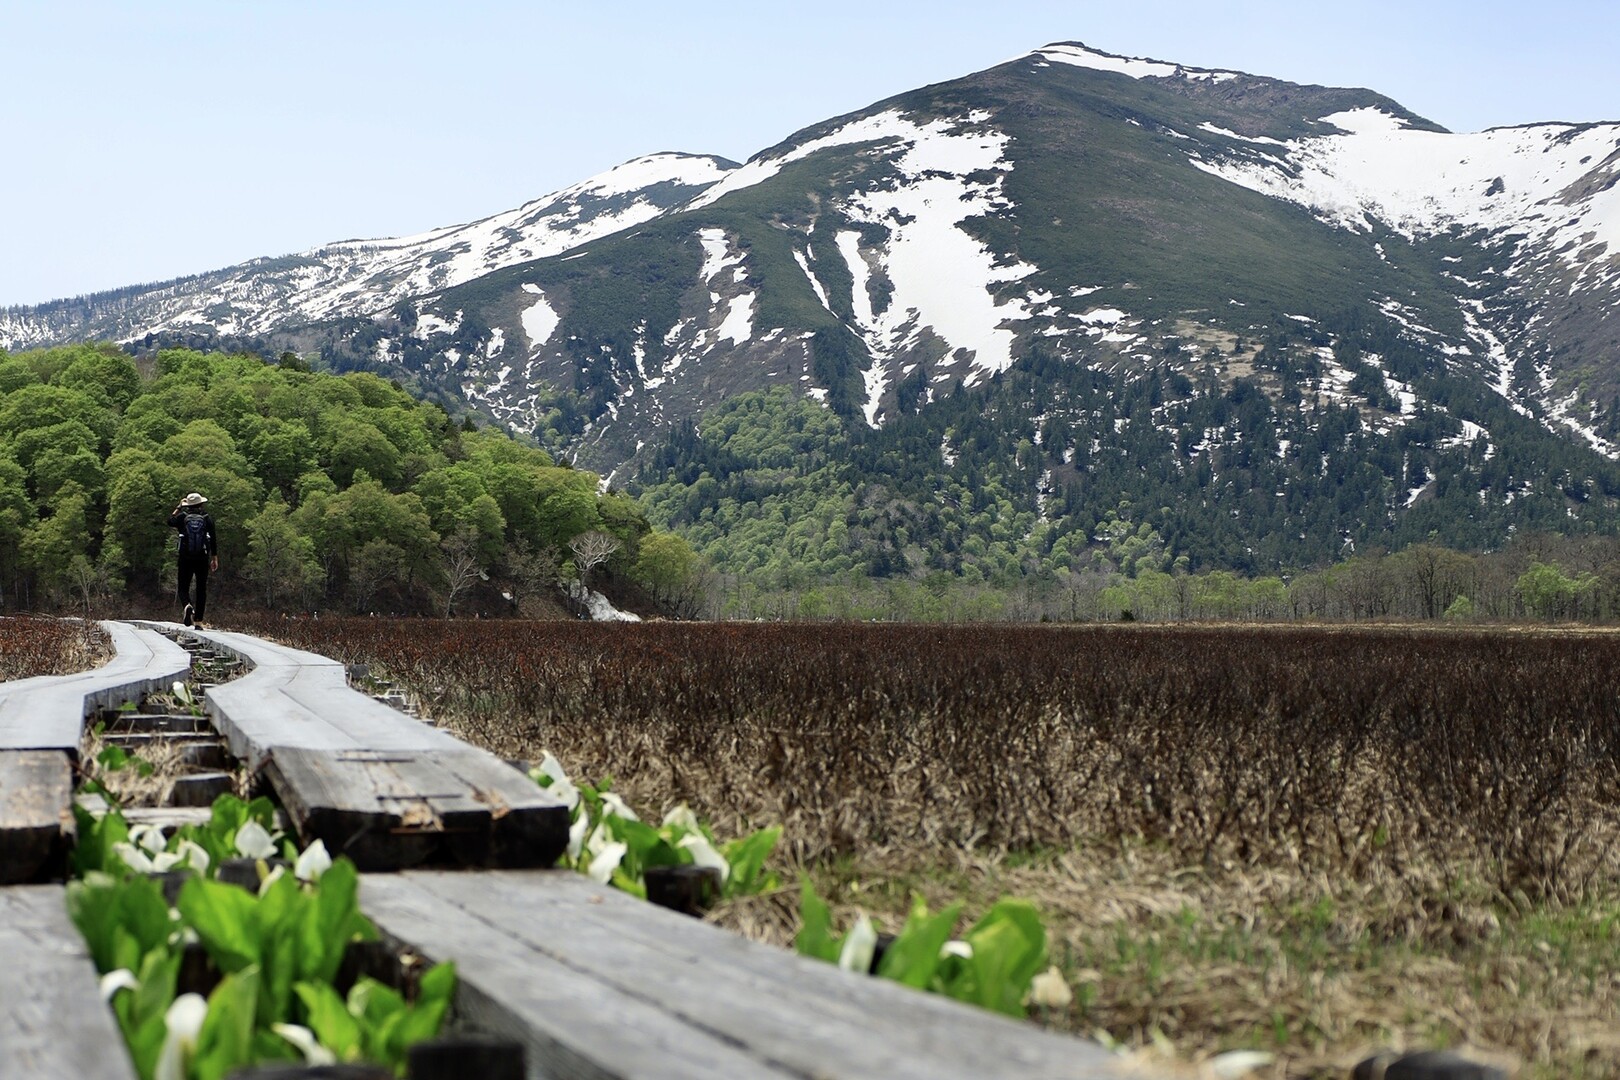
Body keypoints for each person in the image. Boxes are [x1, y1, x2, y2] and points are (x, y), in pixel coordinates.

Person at [168, 492, 218, 627]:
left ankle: (187, 605)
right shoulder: (207, 518)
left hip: (185, 557)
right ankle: (198, 621)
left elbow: (169, 521)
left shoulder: (182, 518)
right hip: (202, 557)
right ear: (201, 504)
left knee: (183, 587)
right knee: (201, 588)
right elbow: (213, 538)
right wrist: (214, 557)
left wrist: (178, 508)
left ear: (188, 505)